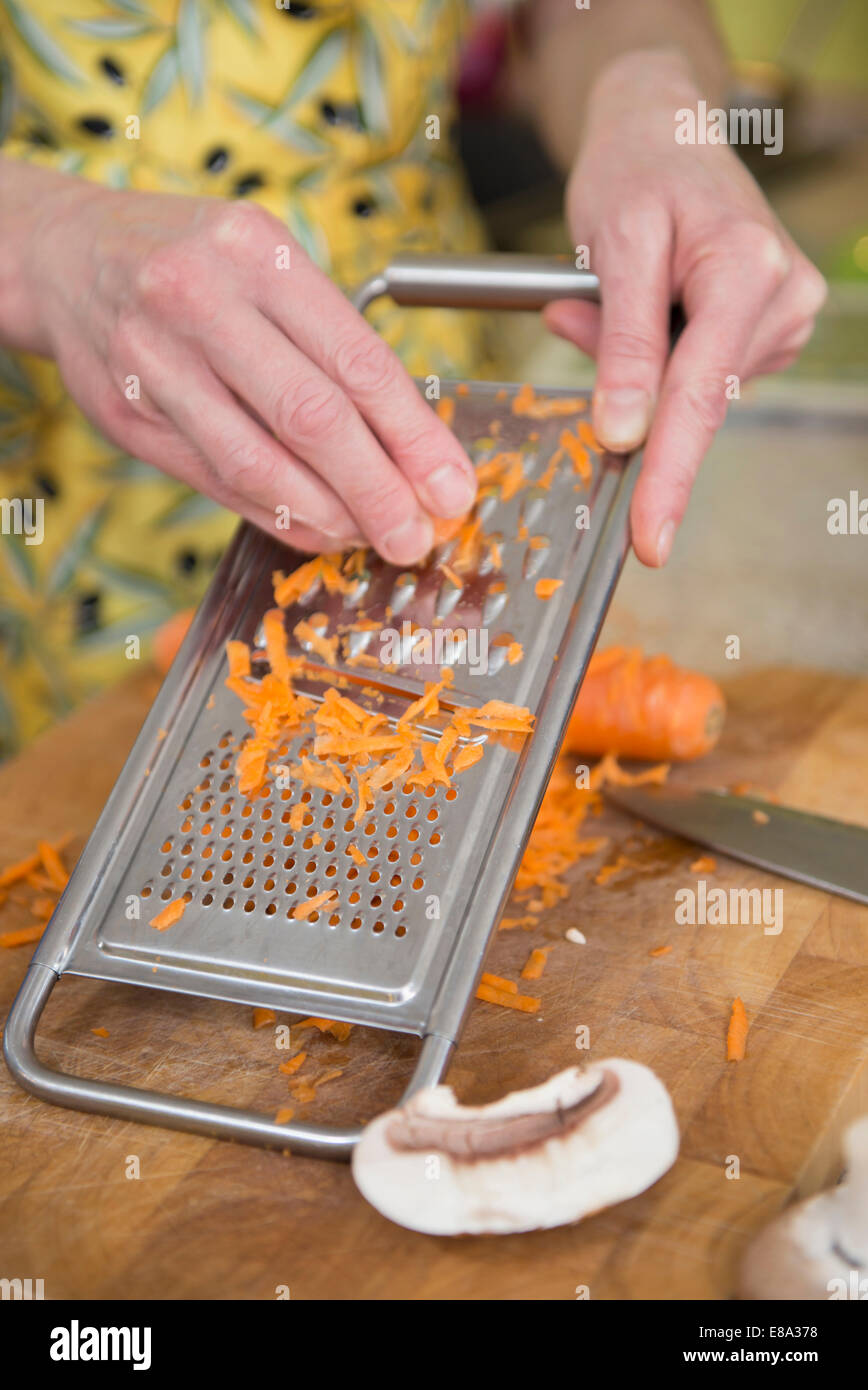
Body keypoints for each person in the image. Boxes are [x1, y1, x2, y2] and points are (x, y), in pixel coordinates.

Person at [0, 0, 826, 755]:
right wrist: (52, 239)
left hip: (436, 404)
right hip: (59, 477)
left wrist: (642, 91)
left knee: (460, 723)